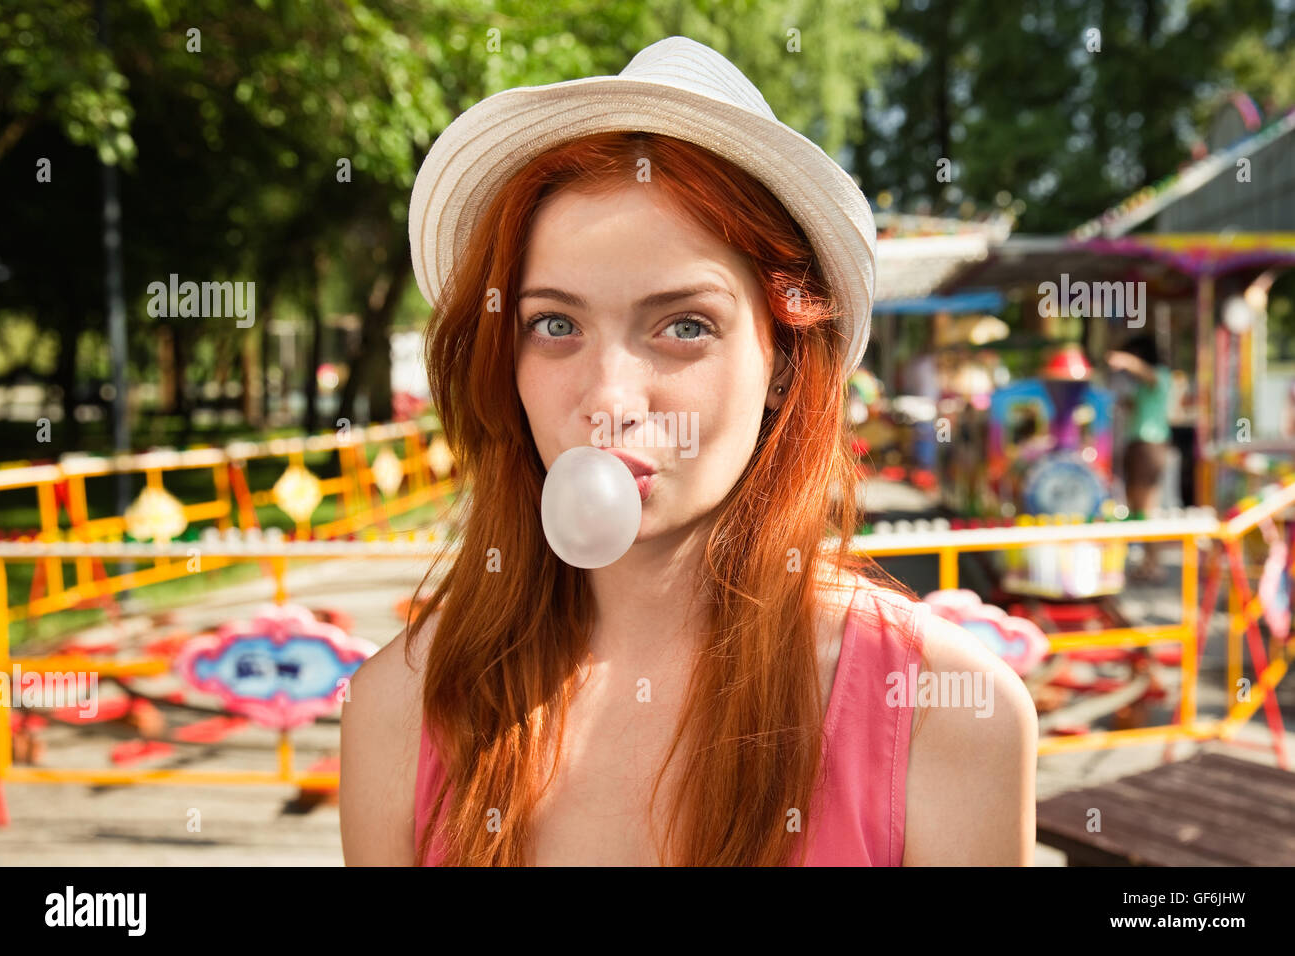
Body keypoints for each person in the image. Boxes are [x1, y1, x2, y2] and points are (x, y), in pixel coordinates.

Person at [340, 36, 1036, 867]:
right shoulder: (397, 711)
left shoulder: (945, 713)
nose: (608, 398)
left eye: (684, 326)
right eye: (555, 324)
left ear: (783, 361)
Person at [1106, 333, 1172, 582]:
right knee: (1137, 508)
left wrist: (1125, 360)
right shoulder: (1143, 386)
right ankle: (1147, 562)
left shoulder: (1160, 376)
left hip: (1149, 446)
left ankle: (1154, 564)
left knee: (1147, 508)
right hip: (1138, 445)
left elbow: (1148, 375)